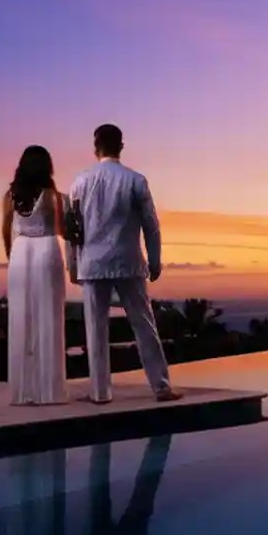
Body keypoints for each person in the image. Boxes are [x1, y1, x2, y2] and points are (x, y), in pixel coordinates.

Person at [67, 124, 181, 403]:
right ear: (121, 146)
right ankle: (161, 387)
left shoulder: (79, 182)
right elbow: (151, 225)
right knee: (144, 324)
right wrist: (155, 260)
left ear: (95, 148)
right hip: (128, 261)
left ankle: (100, 392)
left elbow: (72, 230)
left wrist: (73, 265)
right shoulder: (135, 180)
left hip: (92, 264)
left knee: (95, 330)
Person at [2, 145, 70, 405]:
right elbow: (62, 229)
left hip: (19, 252)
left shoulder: (10, 196)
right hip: (45, 248)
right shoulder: (52, 195)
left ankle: (23, 390)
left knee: (21, 317)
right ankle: (49, 389)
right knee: (49, 315)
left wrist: (12, 256)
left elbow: (5, 229)